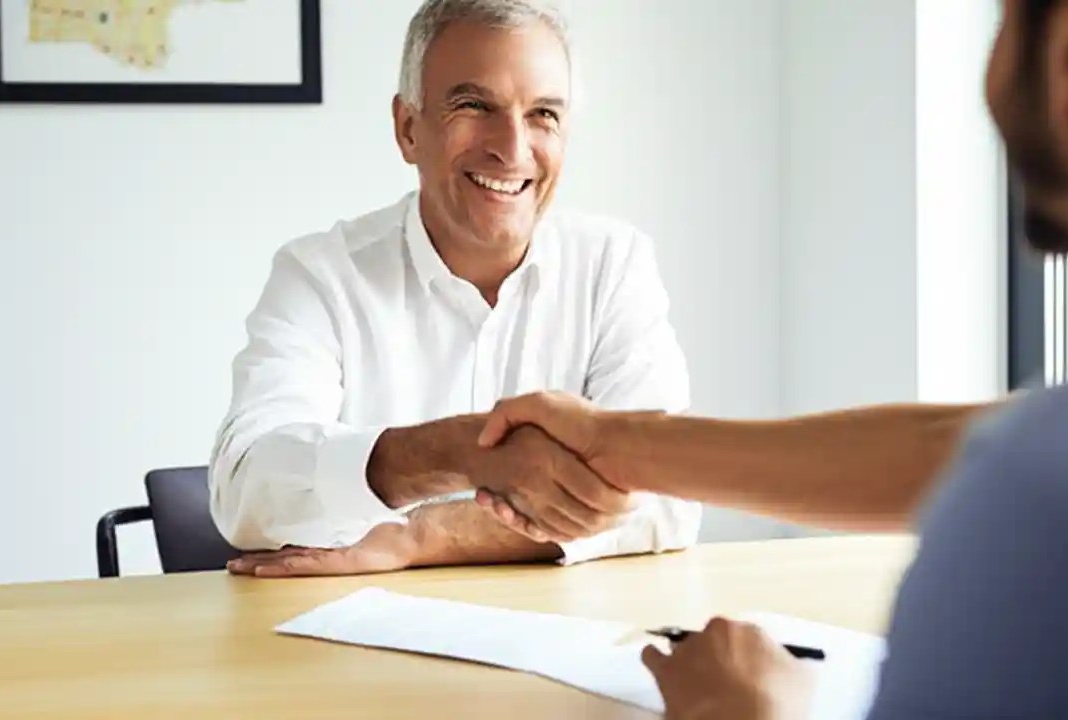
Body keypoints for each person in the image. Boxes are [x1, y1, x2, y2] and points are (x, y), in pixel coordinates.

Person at [477, 0, 1068, 716]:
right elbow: (968, 445)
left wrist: (750, 709)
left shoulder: (1044, 514)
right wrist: (622, 445)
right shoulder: (1051, 455)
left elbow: (1009, 459)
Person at [207, 0, 702, 579]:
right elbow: (247, 492)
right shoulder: (319, 274)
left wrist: (422, 536)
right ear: (408, 128)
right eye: (474, 105)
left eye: (543, 114)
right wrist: (458, 452)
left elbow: (665, 500)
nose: (512, 149)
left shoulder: (614, 264)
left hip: (556, 639)